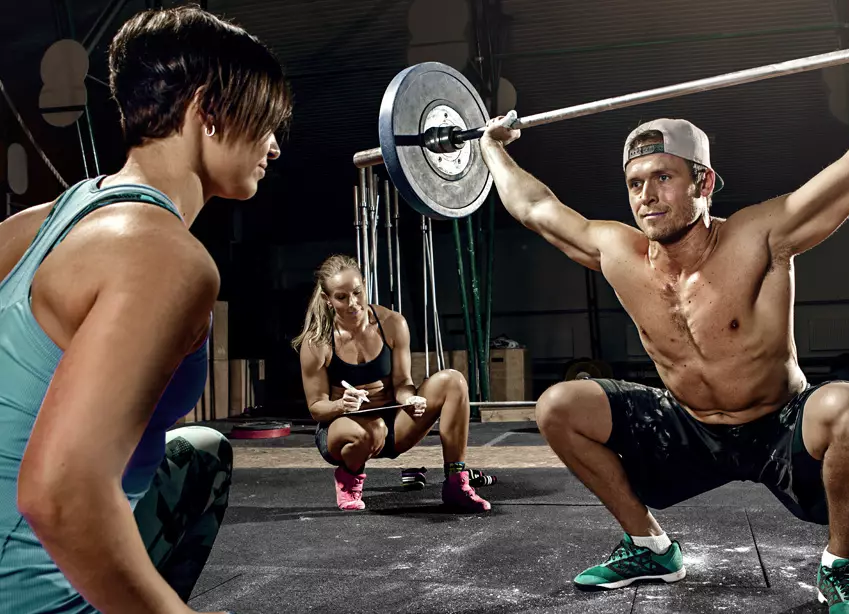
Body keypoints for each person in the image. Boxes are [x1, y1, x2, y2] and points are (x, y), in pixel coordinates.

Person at [478, 16, 849, 612]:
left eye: (663, 178)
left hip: (781, 423)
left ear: (704, 183)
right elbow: (535, 207)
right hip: (688, 427)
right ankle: (649, 546)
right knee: (558, 405)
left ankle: (839, 568)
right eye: (635, 183)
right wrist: (490, 149)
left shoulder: (760, 236)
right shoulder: (616, 251)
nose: (646, 196)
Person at [0, 6, 291, 614]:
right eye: (266, 122)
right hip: (30, 598)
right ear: (207, 110)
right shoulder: (167, 256)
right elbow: (59, 492)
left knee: (200, 453)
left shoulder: (45, 220)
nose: (274, 146)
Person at [293, 254, 490, 513]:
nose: (353, 303)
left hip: (393, 426)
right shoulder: (317, 342)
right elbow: (317, 407)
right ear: (327, 300)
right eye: (341, 297)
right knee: (369, 431)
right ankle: (348, 477)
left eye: (357, 292)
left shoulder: (393, 324)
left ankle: (456, 482)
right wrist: (342, 404)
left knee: (453, 381)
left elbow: (402, 383)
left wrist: (409, 399)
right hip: (343, 431)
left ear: (364, 285)